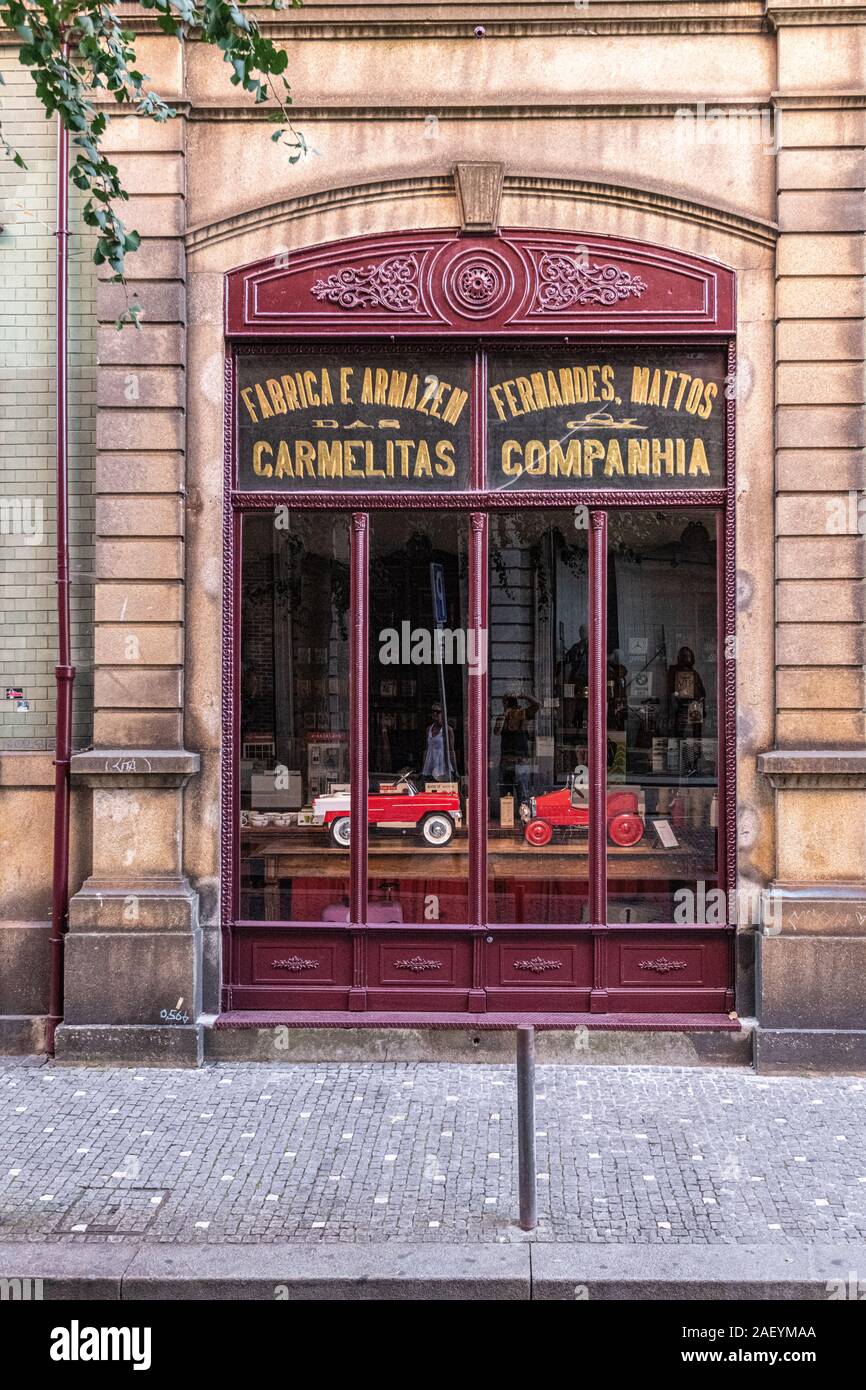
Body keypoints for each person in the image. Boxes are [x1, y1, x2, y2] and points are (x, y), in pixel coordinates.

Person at [494, 692, 540, 809]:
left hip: (520, 761)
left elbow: (537, 704)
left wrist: (523, 695)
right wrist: (505, 714)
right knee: (505, 797)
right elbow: (496, 731)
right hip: (507, 761)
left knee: (523, 795)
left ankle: (524, 820)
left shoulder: (522, 715)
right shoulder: (503, 718)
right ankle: (507, 819)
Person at [422, 702, 456, 782]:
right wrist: (423, 769)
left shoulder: (448, 730)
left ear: (443, 714)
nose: (435, 714)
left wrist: (455, 770)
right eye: (433, 711)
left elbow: (451, 750)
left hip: (442, 768)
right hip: (430, 767)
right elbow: (427, 750)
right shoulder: (429, 729)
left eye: (438, 712)